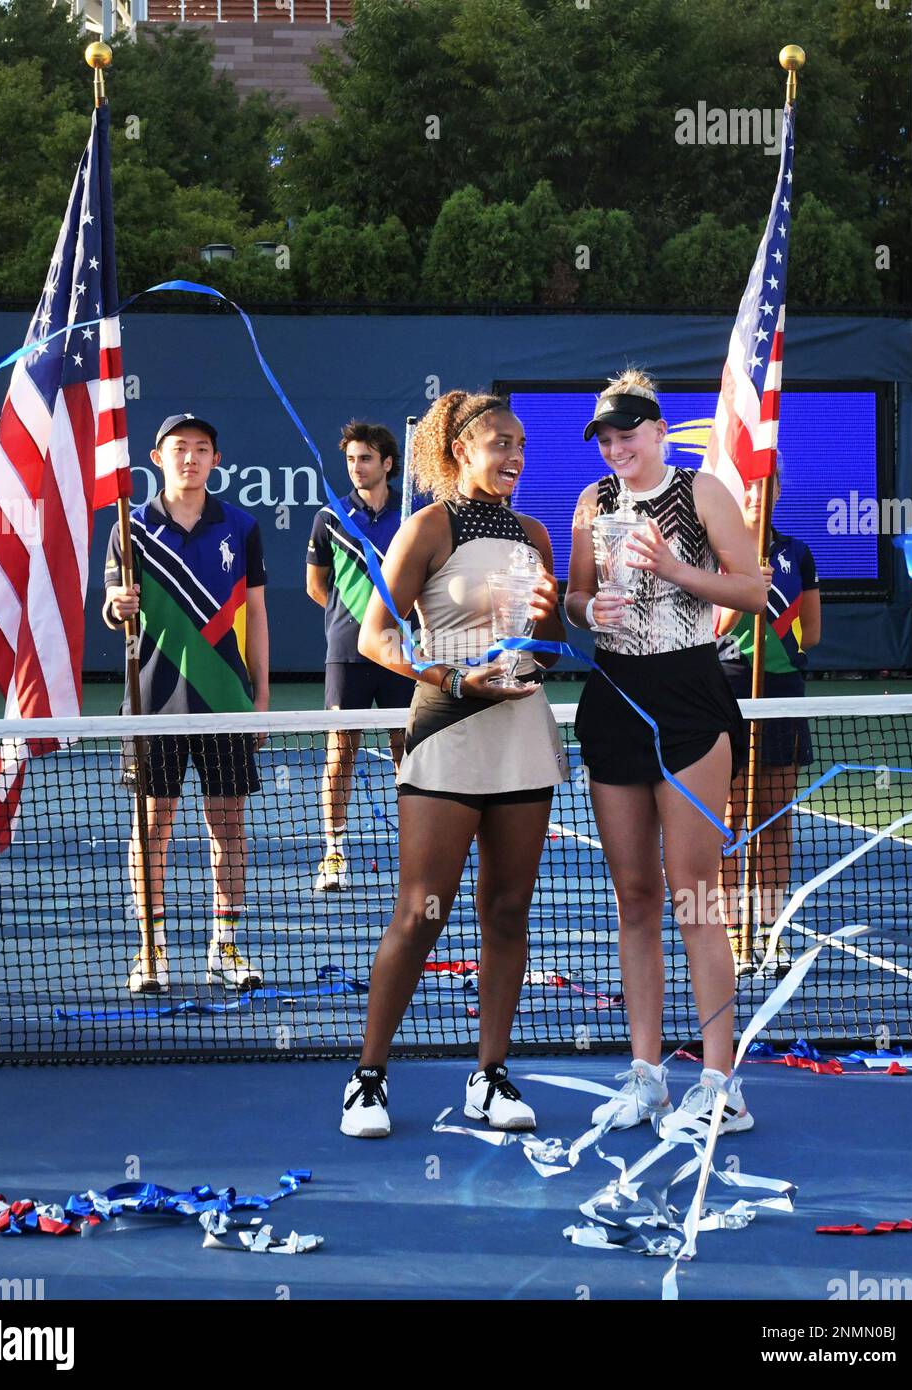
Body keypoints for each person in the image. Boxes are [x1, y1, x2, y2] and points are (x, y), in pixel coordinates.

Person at [339, 390, 569, 1138]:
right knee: (420, 912)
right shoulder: (427, 526)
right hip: (447, 724)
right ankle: (367, 1080)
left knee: (506, 911)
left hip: (522, 733)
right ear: (459, 450)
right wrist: (448, 678)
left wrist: (550, 606)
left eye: (521, 444)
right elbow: (376, 638)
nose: (514, 456)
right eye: (499, 442)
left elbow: (555, 644)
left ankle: (489, 1077)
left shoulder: (534, 531)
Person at [565, 369, 766, 1135]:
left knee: (693, 893)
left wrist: (674, 571)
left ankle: (721, 1084)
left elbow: (753, 591)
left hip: (689, 701)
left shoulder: (703, 491)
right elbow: (576, 600)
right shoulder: (591, 503)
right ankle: (646, 1077)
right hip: (613, 700)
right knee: (635, 897)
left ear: (656, 431)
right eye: (606, 439)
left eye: (628, 434)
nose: (617, 448)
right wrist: (590, 607)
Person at [104, 413, 270, 995]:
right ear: (158, 458)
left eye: (202, 448)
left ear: (216, 461)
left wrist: (262, 698)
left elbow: (258, 614)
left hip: (226, 700)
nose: (191, 458)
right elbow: (111, 606)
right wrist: (118, 607)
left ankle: (224, 948)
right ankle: (152, 952)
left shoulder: (242, 527)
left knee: (228, 827)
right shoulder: (131, 528)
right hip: (153, 704)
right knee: (153, 829)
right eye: (180, 448)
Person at [716, 461, 822, 976]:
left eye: (766, 484)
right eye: (749, 487)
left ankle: (771, 933)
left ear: (778, 489)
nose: (758, 494)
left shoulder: (798, 553)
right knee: (732, 821)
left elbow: (813, 635)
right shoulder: (718, 548)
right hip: (729, 691)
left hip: (783, 693)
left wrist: (777, 612)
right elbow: (713, 626)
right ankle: (736, 936)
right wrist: (744, 589)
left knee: (775, 821)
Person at [306, 421, 414, 893]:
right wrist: (356, 621)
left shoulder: (413, 516)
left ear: (388, 464)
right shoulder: (329, 518)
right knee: (340, 753)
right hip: (345, 654)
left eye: (366, 458)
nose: (356, 467)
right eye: (351, 459)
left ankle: (418, 845)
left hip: (400, 653)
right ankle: (333, 852)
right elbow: (316, 586)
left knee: (408, 751)